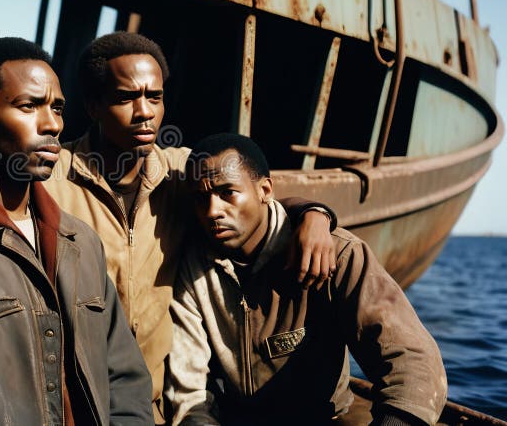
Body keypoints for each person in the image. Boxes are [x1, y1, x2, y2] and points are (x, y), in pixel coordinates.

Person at [42, 31, 338, 420]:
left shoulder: (184, 172)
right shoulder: (50, 181)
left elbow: (258, 196)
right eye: (127, 98)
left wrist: (315, 214)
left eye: (155, 97)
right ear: (94, 105)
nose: (145, 111)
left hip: (160, 407)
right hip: (78, 406)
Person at [0, 37, 152, 425]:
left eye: (57, 107)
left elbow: (126, 380)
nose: (52, 125)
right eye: (29, 106)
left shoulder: (79, 240)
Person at [166, 133, 447, 425]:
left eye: (227, 193)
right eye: (201, 198)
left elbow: (414, 364)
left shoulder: (338, 253)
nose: (213, 211)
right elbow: (190, 391)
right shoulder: (193, 269)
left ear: (265, 190)